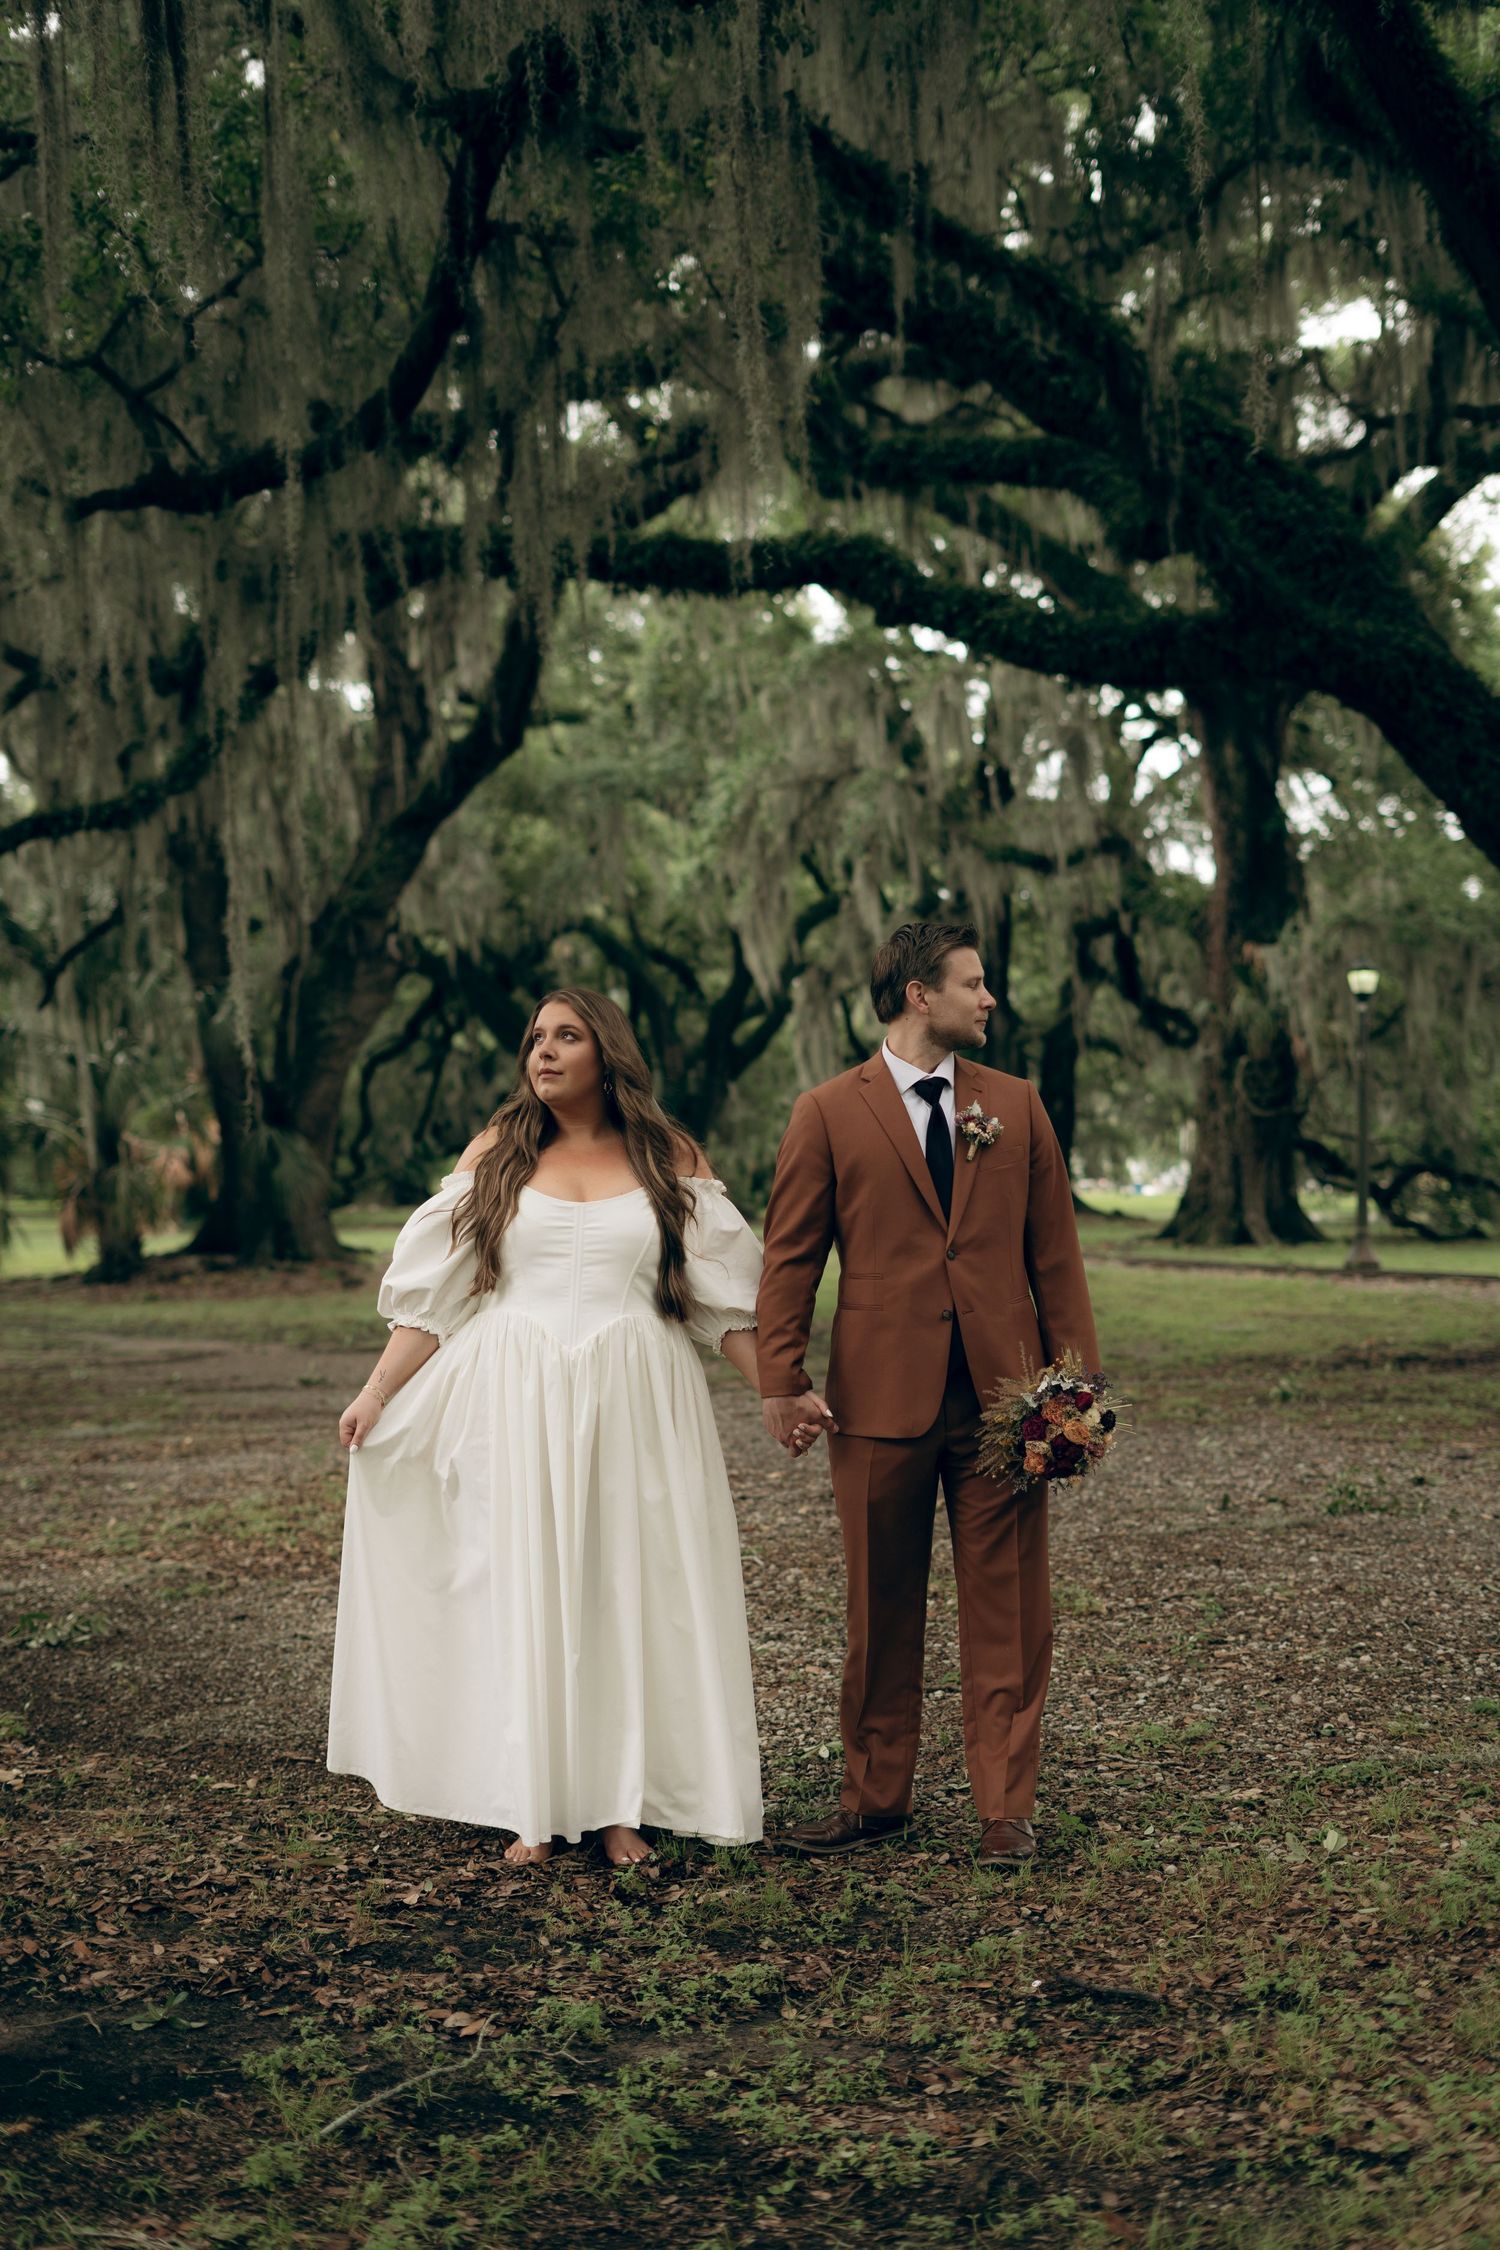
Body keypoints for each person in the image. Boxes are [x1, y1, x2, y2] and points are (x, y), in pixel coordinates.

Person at [327, 989, 764, 1867]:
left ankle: (620, 1806)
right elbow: (443, 1292)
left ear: (607, 1051)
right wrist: (376, 1393)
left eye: (566, 1036)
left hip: (637, 1397)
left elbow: (722, 1302)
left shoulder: (667, 1154)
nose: (545, 1052)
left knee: (625, 1591)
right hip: (514, 1395)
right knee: (524, 1585)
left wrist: (782, 1393)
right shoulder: (497, 1151)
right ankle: (531, 1800)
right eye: (535, 1038)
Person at [755, 922, 1099, 1869]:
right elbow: (791, 1260)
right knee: (879, 1605)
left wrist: (1074, 1396)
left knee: (1010, 1610)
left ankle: (1005, 1811)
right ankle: (874, 1799)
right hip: (875, 1402)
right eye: (973, 984)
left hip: (1007, 1404)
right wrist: (781, 1380)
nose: (989, 1000)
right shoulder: (827, 1112)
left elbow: (1056, 1260)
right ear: (918, 994)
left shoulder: (1017, 1107)